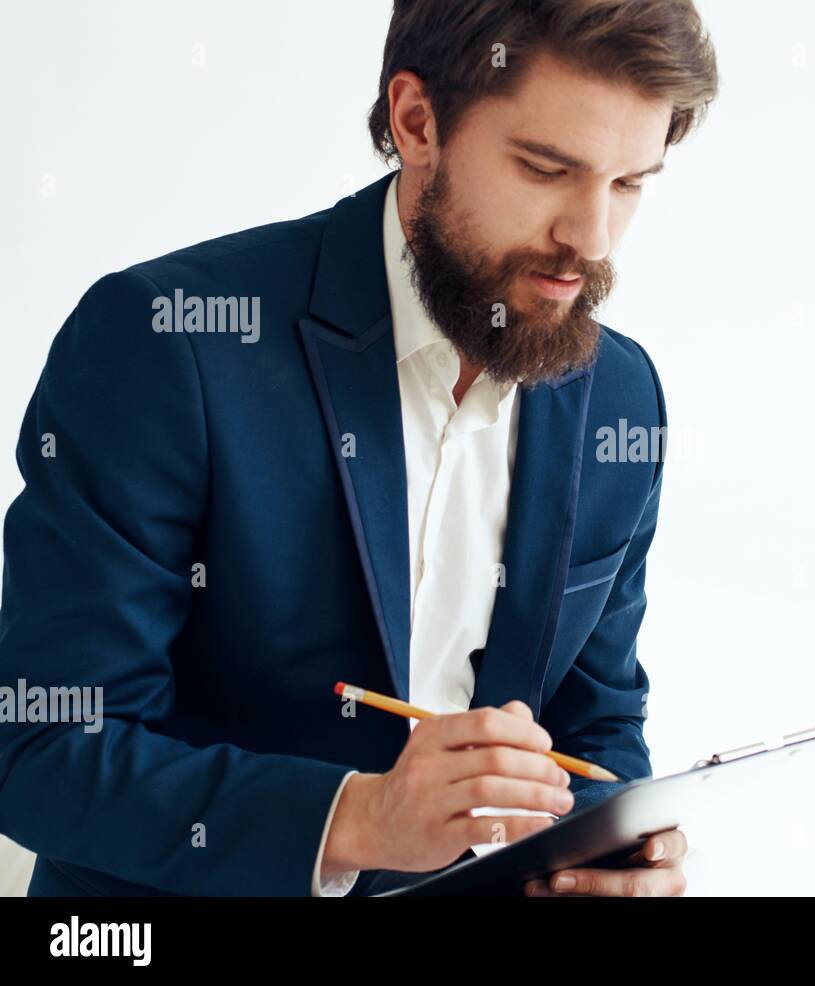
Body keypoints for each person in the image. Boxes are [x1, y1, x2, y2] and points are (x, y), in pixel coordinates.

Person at [0, 0, 717, 897]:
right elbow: (42, 748)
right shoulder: (166, 342)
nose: (591, 239)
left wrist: (616, 844)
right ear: (418, 121)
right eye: (545, 168)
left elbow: (598, 722)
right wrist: (355, 820)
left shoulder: (621, 394)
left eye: (629, 184)